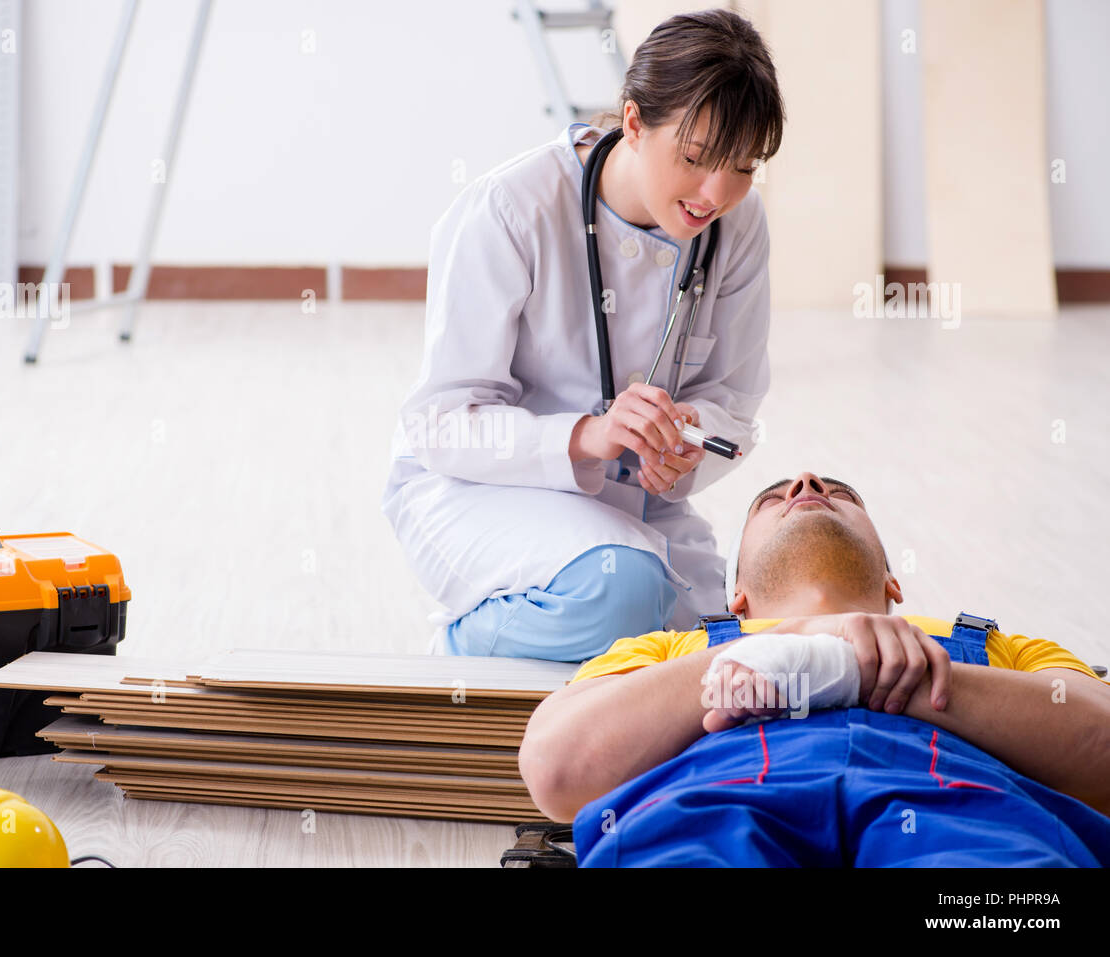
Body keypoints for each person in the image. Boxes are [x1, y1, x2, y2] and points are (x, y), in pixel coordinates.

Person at [381, 10, 785, 661]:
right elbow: (440, 423)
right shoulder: (511, 209)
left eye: (743, 166)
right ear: (632, 123)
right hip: (475, 488)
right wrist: (587, 435)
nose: (716, 193)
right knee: (619, 594)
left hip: (635, 503)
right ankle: (461, 645)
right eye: (694, 158)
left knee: (723, 647)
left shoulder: (740, 226)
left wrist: (681, 436)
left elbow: (734, 402)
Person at [518, 471, 1110, 866]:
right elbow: (556, 766)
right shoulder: (665, 649)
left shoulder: (1008, 648)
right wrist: (800, 640)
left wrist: (865, 668)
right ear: (737, 597)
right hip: (712, 813)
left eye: (842, 493)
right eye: (772, 497)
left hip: (974, 819)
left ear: (891, 581)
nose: (806, 482)